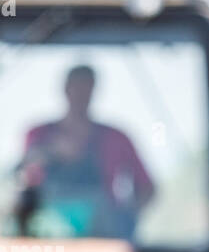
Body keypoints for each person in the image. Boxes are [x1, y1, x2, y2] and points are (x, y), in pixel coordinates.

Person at [15, 64, 156, 238]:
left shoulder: (116, 138)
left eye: (86, 88)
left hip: (104, 238)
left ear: (94, 91)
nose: (81, 95)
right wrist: (50, 152)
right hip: (48, 239)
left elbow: (147, 188)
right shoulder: (38, 134)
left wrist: (127, 217)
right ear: (66, 90)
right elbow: (23, 176)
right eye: (76, 88)